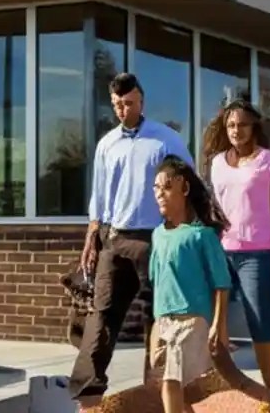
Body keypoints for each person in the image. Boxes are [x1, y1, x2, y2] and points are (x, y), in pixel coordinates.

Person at [69, 73, 194, 411]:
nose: (123, 110)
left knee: (162, 321)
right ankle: (88, 401)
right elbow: (99, 196)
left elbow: (190, 186)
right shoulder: (107, 144)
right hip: (115, 239)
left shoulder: (166, 140)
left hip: (157, 241)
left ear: (141, 100)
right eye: (116, 105)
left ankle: (158, 397)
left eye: (128, 103)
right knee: (102, 317)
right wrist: (91, 238)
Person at [202, 99, 270, 392]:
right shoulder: (216, 164)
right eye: (230, 125)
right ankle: (225, 390)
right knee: (215, 327)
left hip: (257, 254)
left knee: (260, 325)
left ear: (253, 127)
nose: (235, 130)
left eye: (241, 124)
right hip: (221, 253)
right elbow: (213, 211)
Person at [148, 155, 232, 413]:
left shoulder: (202, 236)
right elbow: (158, 283)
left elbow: (222, 283)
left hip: (193, 321)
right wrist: (155, 327)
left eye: (166, 187)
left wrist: (219, 325)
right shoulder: (158, 235)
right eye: (156, 189)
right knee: (179, 389)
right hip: (164, 322)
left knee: (171, 382)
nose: (160, 194)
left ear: (184, 189)